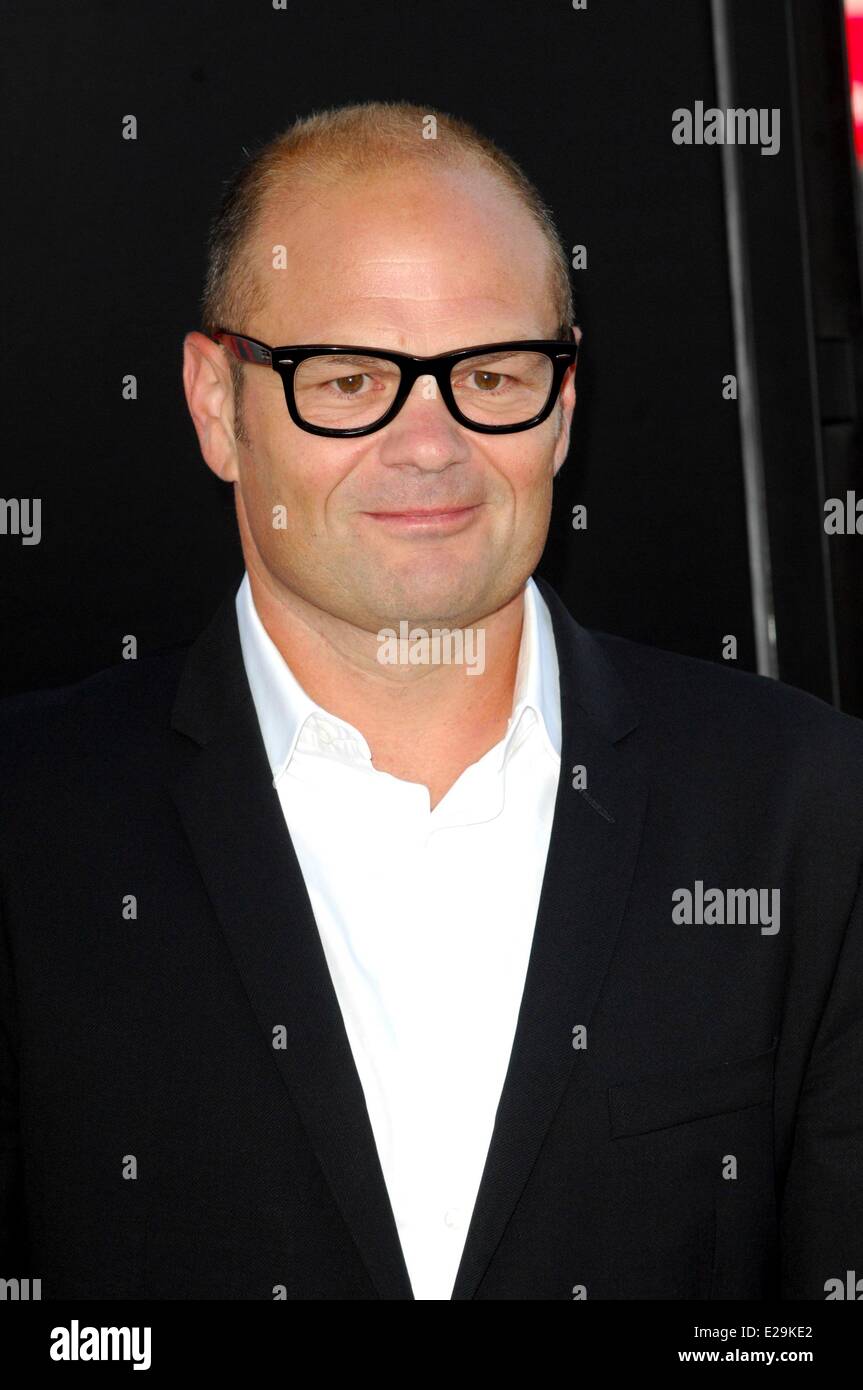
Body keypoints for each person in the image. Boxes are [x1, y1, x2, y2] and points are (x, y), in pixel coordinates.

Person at [1, 100, 861, 1302]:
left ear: (562, 405)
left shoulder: (805, 811)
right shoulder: (31, 827)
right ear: (214, 403)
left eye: (492, 374)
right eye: (347, 378)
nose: (431, 442)